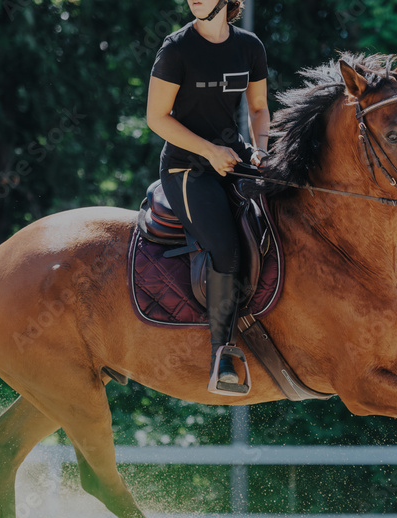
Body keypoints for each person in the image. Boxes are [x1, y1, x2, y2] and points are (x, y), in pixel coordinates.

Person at [146, 0, 270, 394]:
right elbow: (157, 117)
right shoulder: (176, 48)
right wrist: (209, 151)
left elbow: (259, 107)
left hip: (233, 160)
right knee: (226, 249)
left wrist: (262, 149)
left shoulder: (250, 47)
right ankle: (223, 356)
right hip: (187, 169)